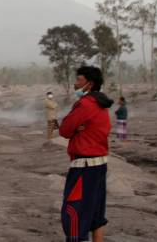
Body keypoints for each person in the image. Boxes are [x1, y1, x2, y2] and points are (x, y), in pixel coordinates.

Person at [57, 65, 113, 242]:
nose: (75, 84)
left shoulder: (85, 104)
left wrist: (77, 130)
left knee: (74, 216)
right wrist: (78, 129)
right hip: (100, 166)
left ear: (89, 84)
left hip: (83, 168)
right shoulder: (102, 105)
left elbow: (65, 130)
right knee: (96, 216)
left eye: (78, 80)